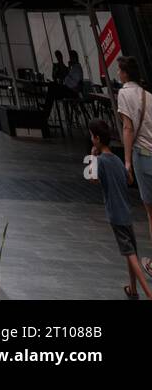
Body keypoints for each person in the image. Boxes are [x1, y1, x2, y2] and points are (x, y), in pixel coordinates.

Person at [89, 119, 152, 299]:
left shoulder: (100, 161)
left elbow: (91, 178)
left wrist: (92, 156)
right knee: (131, 251)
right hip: (126, 212)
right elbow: (129, 180)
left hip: (115, 215)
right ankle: (133, 290)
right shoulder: (116, 159)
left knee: (130, 254)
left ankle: (148, 293)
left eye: (91, 136)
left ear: (97, 139)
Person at [117, 56, 152, 278]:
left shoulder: (124, 94)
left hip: (142, 156)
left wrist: (127, 161)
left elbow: (128, 128)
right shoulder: (148, 95)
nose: (118, 74)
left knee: (150, 212)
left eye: (119, 70)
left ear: (125, 72)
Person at [42, 50, 84, 118]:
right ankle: (47, 107)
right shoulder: (73, 68)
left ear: (74, 58)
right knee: (52, 87)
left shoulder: (76, 68)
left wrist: (67, 75)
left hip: (71, 91)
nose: (70, 59)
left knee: (52, 87)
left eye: (71, 58)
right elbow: (68, 80)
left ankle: (46, 108)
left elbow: (72, 82)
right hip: (69, 90)